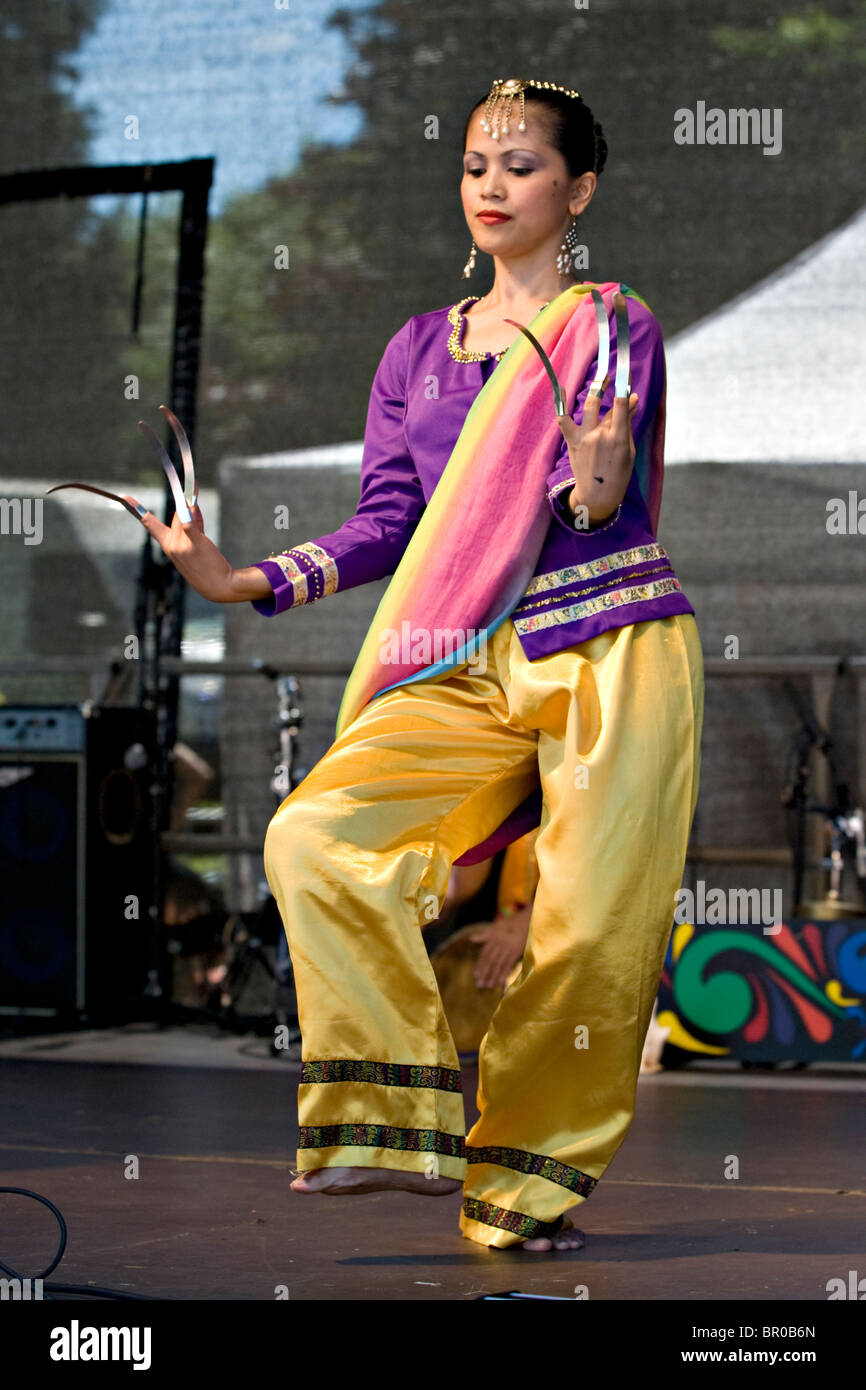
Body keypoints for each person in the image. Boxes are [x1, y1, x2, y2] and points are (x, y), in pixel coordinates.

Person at [125, 76, 704, 1253]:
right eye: (475, 164)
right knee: (311, 835)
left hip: (606, 640)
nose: (490, 185)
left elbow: (587, 499)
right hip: (457, 651)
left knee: (586, 935)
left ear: (577, 188)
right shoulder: (415, 353)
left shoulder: (605, 320)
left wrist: (594, 489)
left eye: (521, 165)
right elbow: (389, 521)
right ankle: (391, 1119)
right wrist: (243, 581)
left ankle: (523, 1189)